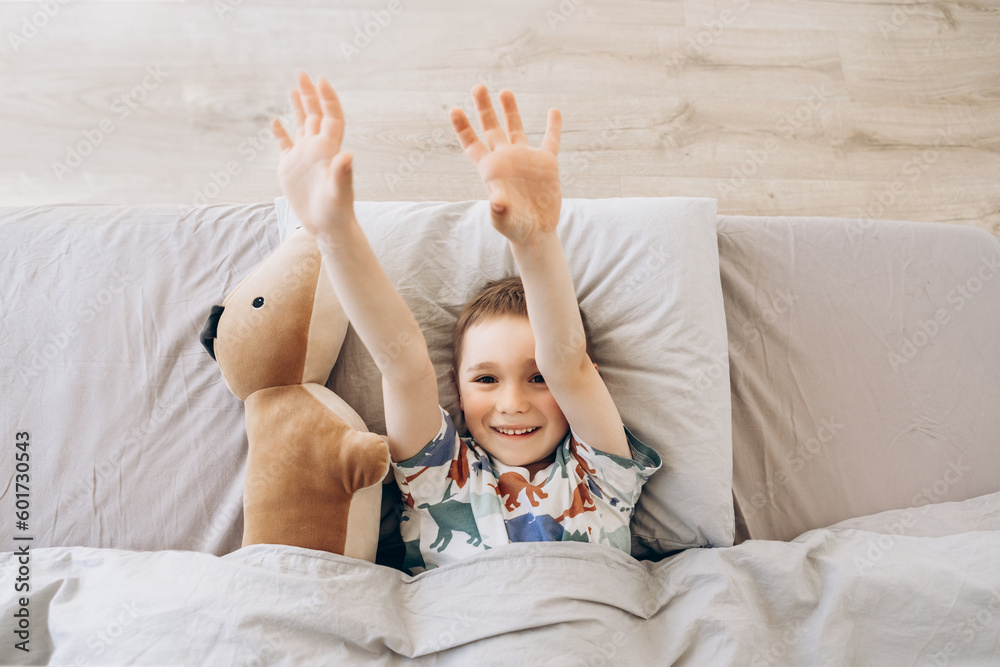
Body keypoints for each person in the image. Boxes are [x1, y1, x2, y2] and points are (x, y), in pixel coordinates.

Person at [272, 72, 661, 574]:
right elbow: (403, 364)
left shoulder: (600, 477)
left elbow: (568, 361)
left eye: (538, 378)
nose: (513, 403)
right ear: (456, 387)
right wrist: (334, 233)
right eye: (485, 378)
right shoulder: (440, 479)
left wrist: (536, 242)